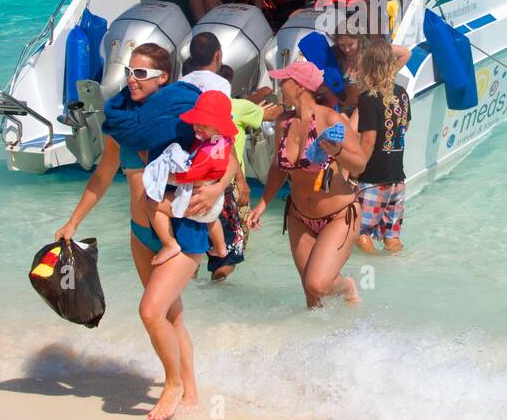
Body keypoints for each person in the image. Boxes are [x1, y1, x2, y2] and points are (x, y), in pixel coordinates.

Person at [53, 43, 231, 420]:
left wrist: (217, 189)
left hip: (182, 234)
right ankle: (192, 394)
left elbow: (225, 153)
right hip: (140, 232)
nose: (132, 79)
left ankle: (172, 384)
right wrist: (73, 222)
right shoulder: (122, 126)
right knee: (171, 317)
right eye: (130, 72)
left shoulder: (184, 116)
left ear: (163, 78)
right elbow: (102, 177)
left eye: (142, 74)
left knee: (150, 311)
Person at [246, 60, 368, 308]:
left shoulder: (330, 118)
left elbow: (360, 164)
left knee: (318, 285)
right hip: (298, 215)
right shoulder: (283, 122)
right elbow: (278, 167)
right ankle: (313, 344)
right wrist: (263, 203)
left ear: (300, 87)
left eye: (284, 81)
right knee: (311, 297)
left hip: (339, 215)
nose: (279, 85)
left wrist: (336, 152)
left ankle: (347, 286)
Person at [141, 90, 238, 265]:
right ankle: (221, 246)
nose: (197, 128)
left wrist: (167, 177)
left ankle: (169, 244)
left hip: (197, 201)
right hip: (215, 202)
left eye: (204, 125)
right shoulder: (222, 140)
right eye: (196, 123)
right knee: (212, 219)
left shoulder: (207, 153)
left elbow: (193, 177)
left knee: (152, 205)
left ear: (218, 126)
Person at [210, 64, 284, 281]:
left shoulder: (199, 109)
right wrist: (286, 103)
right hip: (230, 186)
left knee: (198, 246)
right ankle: (220, 289)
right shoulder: (239, 106)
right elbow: (270, 115)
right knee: (235, 247)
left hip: (201, 183)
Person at [354, 37, 412, 253]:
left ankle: (375, 270)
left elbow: (368, 139)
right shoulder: (402, 94)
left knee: (361, 232)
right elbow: (405, 128)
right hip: (397, 178)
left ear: (366, 65)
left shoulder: (368, 97)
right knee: (392, 235)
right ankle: (395, 276)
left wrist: (356, 170)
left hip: (373, 179)